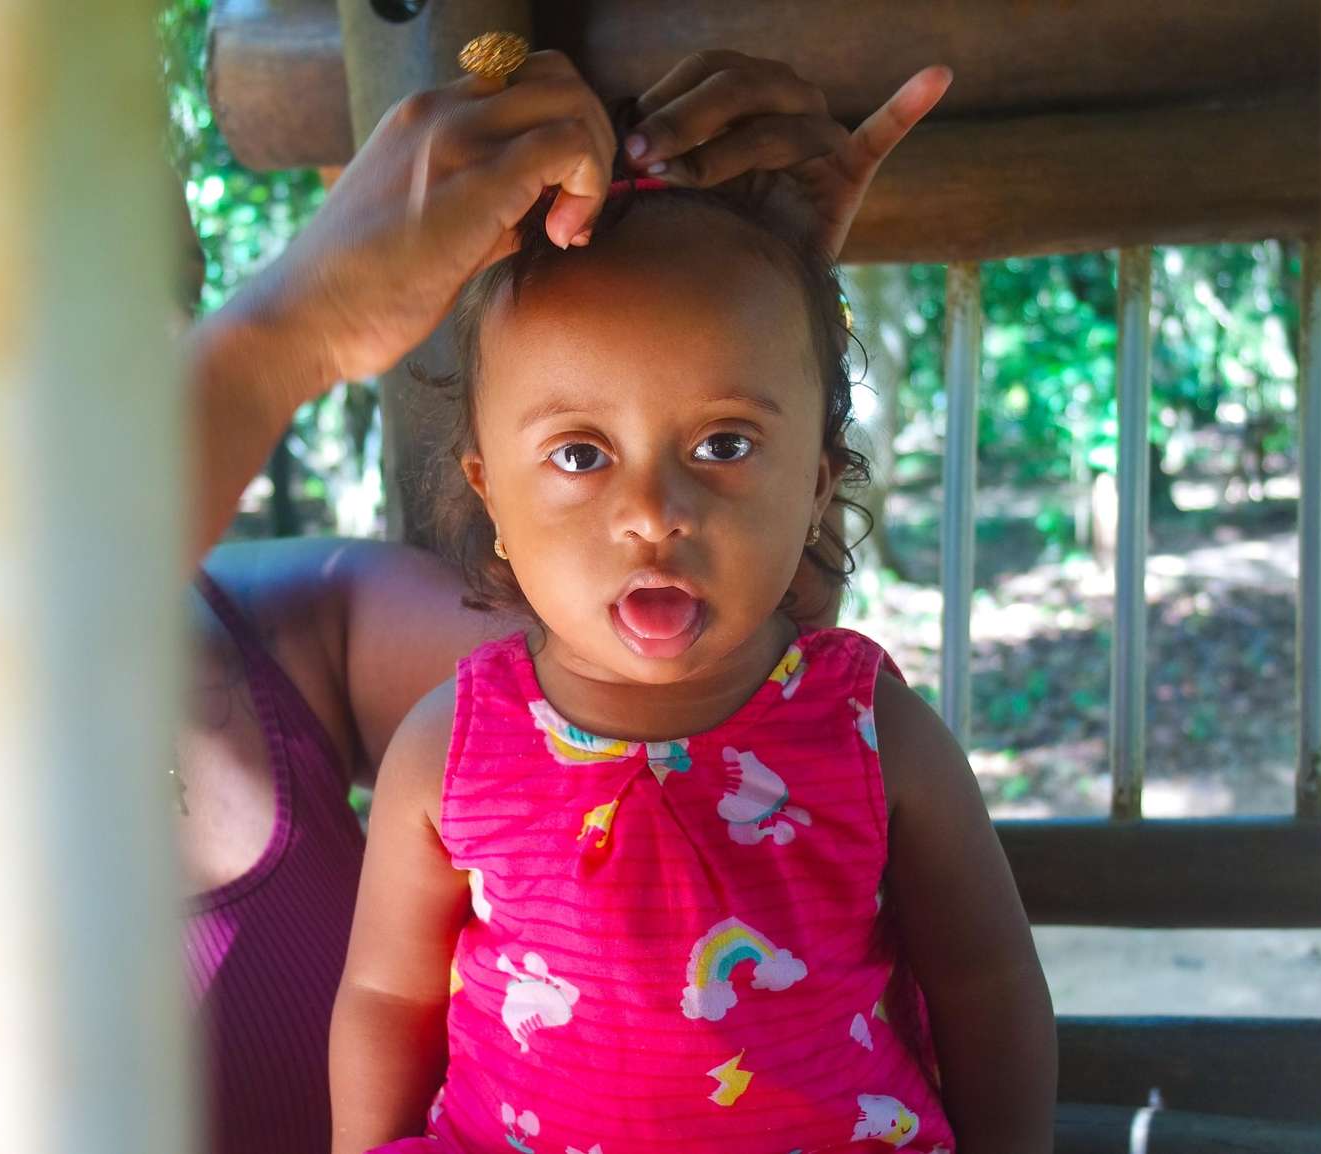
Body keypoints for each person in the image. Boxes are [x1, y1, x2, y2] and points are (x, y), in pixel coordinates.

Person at [177, 50, 957, 1154]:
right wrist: (286, 333)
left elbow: (711, 675)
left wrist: (733, 319)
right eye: (584, 452)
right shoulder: (436, 733)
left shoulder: (320, 624)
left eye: (174, 286)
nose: (649, 510)